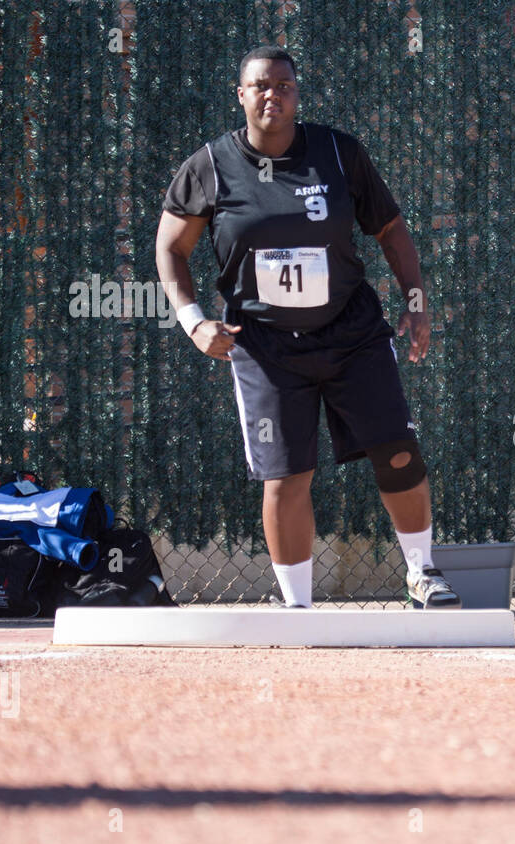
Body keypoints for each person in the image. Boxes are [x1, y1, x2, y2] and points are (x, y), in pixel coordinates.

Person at [154, 45, 460, 609]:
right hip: (266, 346)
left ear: (298, 94)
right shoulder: (210, 166)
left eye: (284, 86)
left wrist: (415, 301)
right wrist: (193, 322)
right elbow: (170, 248)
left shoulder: (338, 154)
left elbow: (391, 230)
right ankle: (297, 606)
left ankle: (423, 575)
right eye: (261, 86)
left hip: (352, 332)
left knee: (396, 450)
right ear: (241, 94)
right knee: (286, 476)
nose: (273, 95)